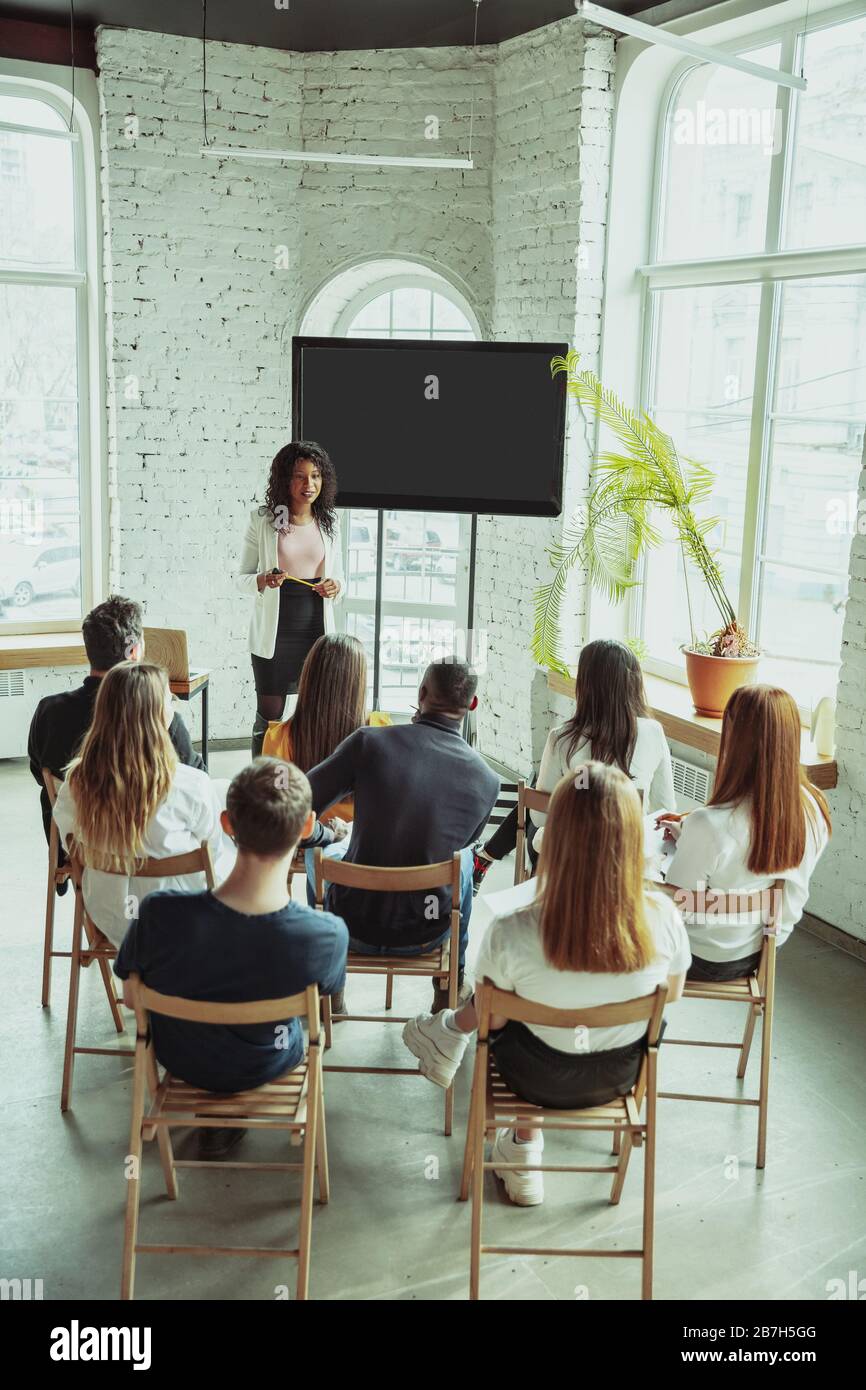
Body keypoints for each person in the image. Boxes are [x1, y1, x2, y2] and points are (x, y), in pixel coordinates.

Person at [402, 762, 690, 1206]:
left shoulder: (513, 929)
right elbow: (671, 994)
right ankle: (516, 1141)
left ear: (556, 837)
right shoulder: (665, 919)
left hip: (531, 1077)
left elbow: (491, 1016)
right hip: (619, 1075)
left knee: (506, 1017)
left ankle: (522, 1144)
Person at [115, 758, 348, 1159]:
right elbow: (321, 1004)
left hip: (181, 1059)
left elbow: (133, 1000)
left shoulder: (156, 914)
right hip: (268, 1061)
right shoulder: (325, 935)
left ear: (226, 823)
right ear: (308, 827)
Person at [305, 658, 500, 1013]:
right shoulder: (487, 781)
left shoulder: (368, 742)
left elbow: (301, 801)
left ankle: (328, 987)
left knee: (316, 855)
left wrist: (326, 834)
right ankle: (449, 983)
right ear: (472, 705)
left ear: (421, 693)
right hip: (427, 932)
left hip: (353, 922)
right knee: (465, 863)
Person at [53, 662, 235, 948]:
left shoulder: (76, 782)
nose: (173, 705)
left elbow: (69, 843)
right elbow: (213, 856)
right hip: (182, 922)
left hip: (113, 919)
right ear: (157, 715)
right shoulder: (191, 784)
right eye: (169, 699)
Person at [658, 684, 832, 981]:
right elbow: (781, 888)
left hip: (700, 957)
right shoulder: (814, 805)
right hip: (763, 950)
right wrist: (690, 839)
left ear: (735, 739)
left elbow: (676, 908)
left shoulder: (709, 824)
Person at [28, 594, 204, 882]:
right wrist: (171, 723)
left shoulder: (49, 711)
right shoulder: (158, 718)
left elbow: (41, 775)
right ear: (134, 652)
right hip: (151, 852)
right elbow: (199, 779)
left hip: (81, 847)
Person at [471, 639, 674, 889]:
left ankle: (485, 858)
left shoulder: (563, 737)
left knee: (539, 793)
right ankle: (485, 857)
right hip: (627, 855)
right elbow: (665, 809)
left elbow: (539, 816)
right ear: (633, 683)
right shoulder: (654, 732)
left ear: (586, 685)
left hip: (568, 854)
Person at [237, 441, 345, 758]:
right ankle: (259, 783)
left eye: (315, 476)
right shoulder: (263, 520)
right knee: (270, 717)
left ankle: (308, 782)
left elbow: (340, 577)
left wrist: (336, 587)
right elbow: (240, 577)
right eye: (300, 476)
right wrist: (263, 579)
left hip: (316, 632)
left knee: (318, 716)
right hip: (274, 635)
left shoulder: (331, 522)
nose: (308, 485)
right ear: (285, 479)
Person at [262, 632, 390, 824]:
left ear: (308, 677)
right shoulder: (382, 730)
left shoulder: (277, 739)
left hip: (304, 847)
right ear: (358, 684)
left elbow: (278, 811)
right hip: (363, 849)